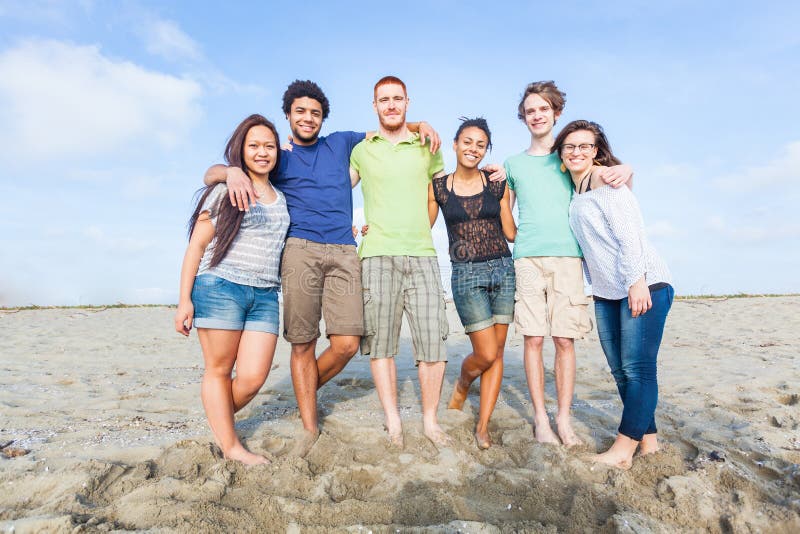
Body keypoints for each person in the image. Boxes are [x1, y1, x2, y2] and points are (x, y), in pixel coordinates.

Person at [203, 80, 440, 456]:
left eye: (315, 113)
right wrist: (230, 173)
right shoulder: (279, 156)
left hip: (344, 250)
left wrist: (419, 124)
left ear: (323, 117)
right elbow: (212, 173)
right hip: (300, 250)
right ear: (288, 115)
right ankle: (310, 426)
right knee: (303, 342)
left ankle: (305, 390)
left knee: (347, 344)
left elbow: (387, 127)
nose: (307, 118)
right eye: (300, 111)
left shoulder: (342, 142)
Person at [504, 81, 633, 447]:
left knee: (564, 339)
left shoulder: (570, 156)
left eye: (543, 109)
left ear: (556, 113)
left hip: (568, 257)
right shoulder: (513, 164)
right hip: (528, 258)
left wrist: (628, 168)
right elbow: (505, 212)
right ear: (523, 117)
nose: (537, 115)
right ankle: (540, 419)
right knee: (533, 339)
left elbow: (611, 176)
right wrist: (518, 237)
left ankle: (563, 418)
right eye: (530, 110)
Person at [554, 120, 673, 469]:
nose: (577, 152)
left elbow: (630, 234)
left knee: (638, 370)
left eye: (585, 146)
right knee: (621, 372)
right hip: (607, 292)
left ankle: (622, 450)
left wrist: (636, 281)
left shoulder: (605, 181)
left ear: (596, 151)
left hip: (644, 285)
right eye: (570, 146)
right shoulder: (578, 189)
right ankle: (649, 443)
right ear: (562, 153)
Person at [174, 114, 289, 466]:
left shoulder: (281, 196)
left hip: (265, 295)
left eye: (269, 146)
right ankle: (232, 446)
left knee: (253, 378)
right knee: (219, 370)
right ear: (241, 148)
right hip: (221, 287)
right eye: (254, 145)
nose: (262, 152)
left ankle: (218, 417)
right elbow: (196, 246)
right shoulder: (225, 188)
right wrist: (183, 300)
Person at [349, 76, 453, 448]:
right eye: (384, 100)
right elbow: (333, 189)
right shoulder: (361, 150)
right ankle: (393, 421)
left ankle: (430, 421)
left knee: (433, 344)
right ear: (374, 105)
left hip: (422, 254)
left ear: (408, 101)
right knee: (381, 345)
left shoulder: (428, 145)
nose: (391, 105)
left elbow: (445, 193)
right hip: (376, 255)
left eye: (397, 98)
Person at [428, 118, 516, 449]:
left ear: (486, 150)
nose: (473, 149)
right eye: (467, 142)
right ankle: (464, 383)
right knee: (486, 353)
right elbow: (421, 227)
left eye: (480, 145)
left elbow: (511, 232)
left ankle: (482, 426)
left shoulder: (497, 185)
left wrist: (511, 185)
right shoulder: (438, 187)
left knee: (498, 353)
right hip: (466, 275)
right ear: (455, 144)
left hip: (503, 269)